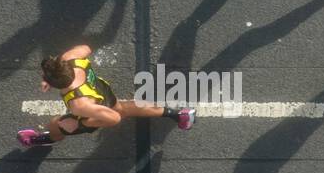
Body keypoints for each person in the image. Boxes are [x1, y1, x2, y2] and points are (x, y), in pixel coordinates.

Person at [16, 45, 195, 147]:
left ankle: (46, 138)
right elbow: (86, 48)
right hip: (101, 91)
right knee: (124, 108)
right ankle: (179, 114)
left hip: (89, 110)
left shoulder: (78, 105)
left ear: (54, 83)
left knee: (56, 124)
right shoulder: (72, 58)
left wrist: (80, 123)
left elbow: (113, 119)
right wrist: (56, 72)